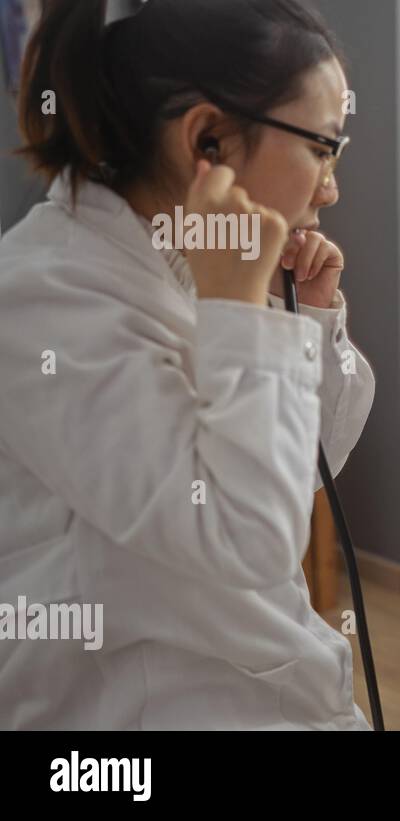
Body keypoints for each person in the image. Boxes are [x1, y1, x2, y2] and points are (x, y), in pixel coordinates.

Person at [0, 0, 374, 729]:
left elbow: (307, 463)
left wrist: (305, 314)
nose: (329, 186)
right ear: (207, 142)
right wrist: (238, 311)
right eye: (321, 147)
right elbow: (252, 538)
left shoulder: (181, 260)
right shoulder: (44, 301)